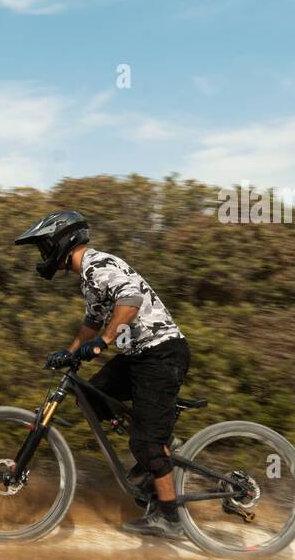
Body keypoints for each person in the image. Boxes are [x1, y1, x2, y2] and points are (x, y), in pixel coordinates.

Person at [14, 210, 192, 539]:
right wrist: (69, 352)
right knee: (92, 397)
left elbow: (130, 300)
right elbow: (92, 322)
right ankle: (158, 444)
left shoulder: (98, 265)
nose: (43, 254)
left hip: (162, 352)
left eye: (44, 246)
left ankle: (171, 518)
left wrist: (105, 342)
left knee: (146, 442)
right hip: (140, 355)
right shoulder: (89, 277)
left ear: (61, 241)